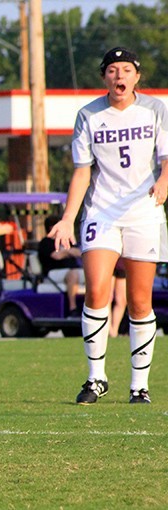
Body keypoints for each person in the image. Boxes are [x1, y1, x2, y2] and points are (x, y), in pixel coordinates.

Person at [49, 47, 168, 405]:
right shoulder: (88, 115)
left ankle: (139, 385)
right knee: (97, 291)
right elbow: (82, 171)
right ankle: (96, 378)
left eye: (126, 70)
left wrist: (164, 182)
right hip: (101, 212)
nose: (119, 76)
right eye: (113, 70)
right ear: (104, 77)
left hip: (144, 211)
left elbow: (166, 159)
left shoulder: (156, 109)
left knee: (138, 300)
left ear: (137, 76)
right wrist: (68, 218)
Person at [38, 215, 83, 315]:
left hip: (72, 269)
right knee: (73, 274)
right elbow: (56, 256)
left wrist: (66, 252)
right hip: (53, 272)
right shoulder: (46, 243)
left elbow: (78, 252)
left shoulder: (67, 241)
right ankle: (73, 308)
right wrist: (69, 252)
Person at [109, 258, 127, 337]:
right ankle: (109, 330)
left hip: (122, 261)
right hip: (109, 259)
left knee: (122, 300)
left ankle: (114, 331)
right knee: (108, 298)